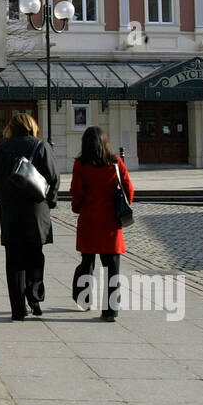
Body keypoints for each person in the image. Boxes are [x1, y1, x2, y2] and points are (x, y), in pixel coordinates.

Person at [0, 113, 59, 321]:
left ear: (11, 127)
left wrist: (3, 201)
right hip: (36, 209)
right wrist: (50, 201)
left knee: (14, 261)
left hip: (11, 212)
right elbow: (53, 178)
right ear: (32, 126)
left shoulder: (1, 149)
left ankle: (18, 309)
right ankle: (34, 296)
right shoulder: (40, 146)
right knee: (35, 255)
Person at [69, 126, 135, 322]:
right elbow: (128, 189)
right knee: (112, 268)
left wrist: (77, 206)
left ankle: (84, 298)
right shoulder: (116, 163)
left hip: (89, 220)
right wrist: (122, 206)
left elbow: (76, 191)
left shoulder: (81, 165)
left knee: (87, 262)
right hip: (111, 223)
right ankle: (110, 311)